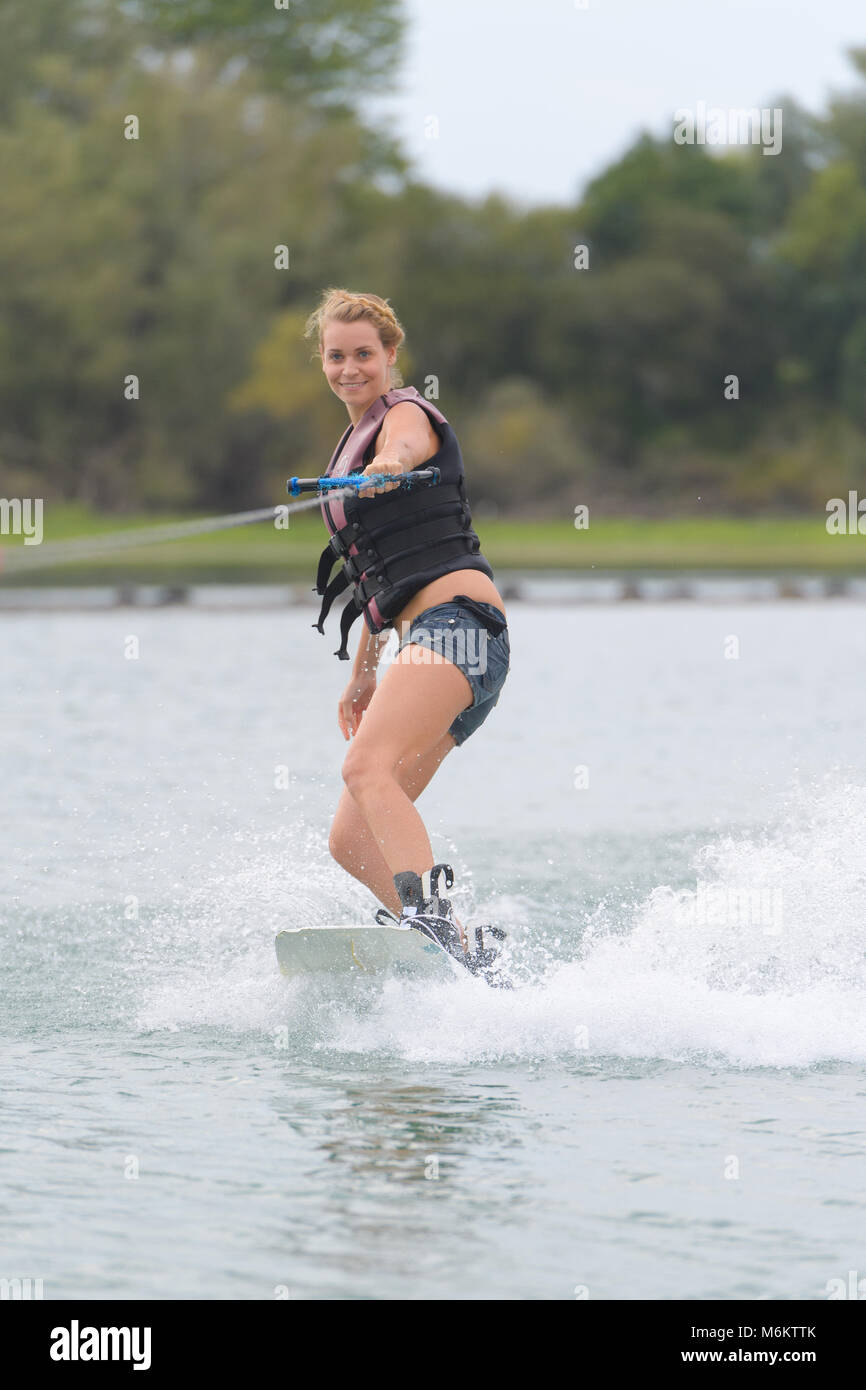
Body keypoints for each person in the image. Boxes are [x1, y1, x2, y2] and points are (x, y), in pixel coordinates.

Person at [303, 288, 510, 980]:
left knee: (363, 768)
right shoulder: (346, 443)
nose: (350, 367)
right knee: (351, 836)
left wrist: (389, 468)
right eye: (336, 356)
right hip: (441, 648)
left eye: (364, 354)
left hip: (461, 630)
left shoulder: (406, 415)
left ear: (390, 355)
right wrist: (362, 674)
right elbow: (378, 586)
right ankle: (467, 952)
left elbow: (407, 445)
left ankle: (425, 918)